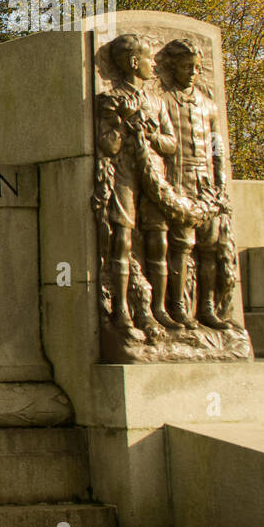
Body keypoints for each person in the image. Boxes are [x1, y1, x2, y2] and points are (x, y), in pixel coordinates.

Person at [95, 34, 177, 340]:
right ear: (133, 62)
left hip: (156, 179)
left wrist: (152, 136)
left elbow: (171, 145)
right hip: (125, 176)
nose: (153, 64)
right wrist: (120, 124)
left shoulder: (157, 101)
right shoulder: (112, 99)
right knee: (123, 242)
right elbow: (107, 145)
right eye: (148, 59)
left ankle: (160, 310)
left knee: (160, 241)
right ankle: (123, 311)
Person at [149, 39, 231, 330]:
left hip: (207, 185)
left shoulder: (209, 106)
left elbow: (217, 147)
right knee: (182, 246)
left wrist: (221, 182)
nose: (193, 72)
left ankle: (207, 308)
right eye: (186, 67)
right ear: (173, 67)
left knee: (209, 248)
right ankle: (178, 306)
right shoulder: (164, 101)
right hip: (178, 182)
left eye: (197, 67)